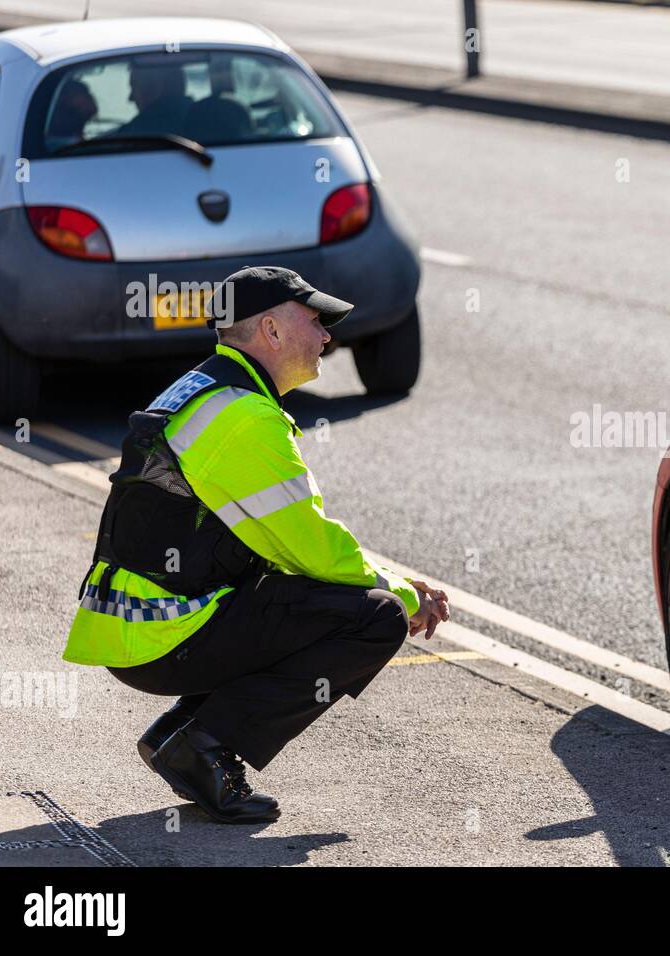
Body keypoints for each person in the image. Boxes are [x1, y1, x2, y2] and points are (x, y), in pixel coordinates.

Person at [62, 266, 448, 824]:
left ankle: (182, 733)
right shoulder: (243, 416)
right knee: (374, 618)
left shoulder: (206, 388)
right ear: (270, 329)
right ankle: (201, 746)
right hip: (162, 632)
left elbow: (283, 547)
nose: (326, 337)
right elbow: (313, 548)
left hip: (134, 623)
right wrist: (406, 597)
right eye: (314, 321)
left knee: (303, 594)